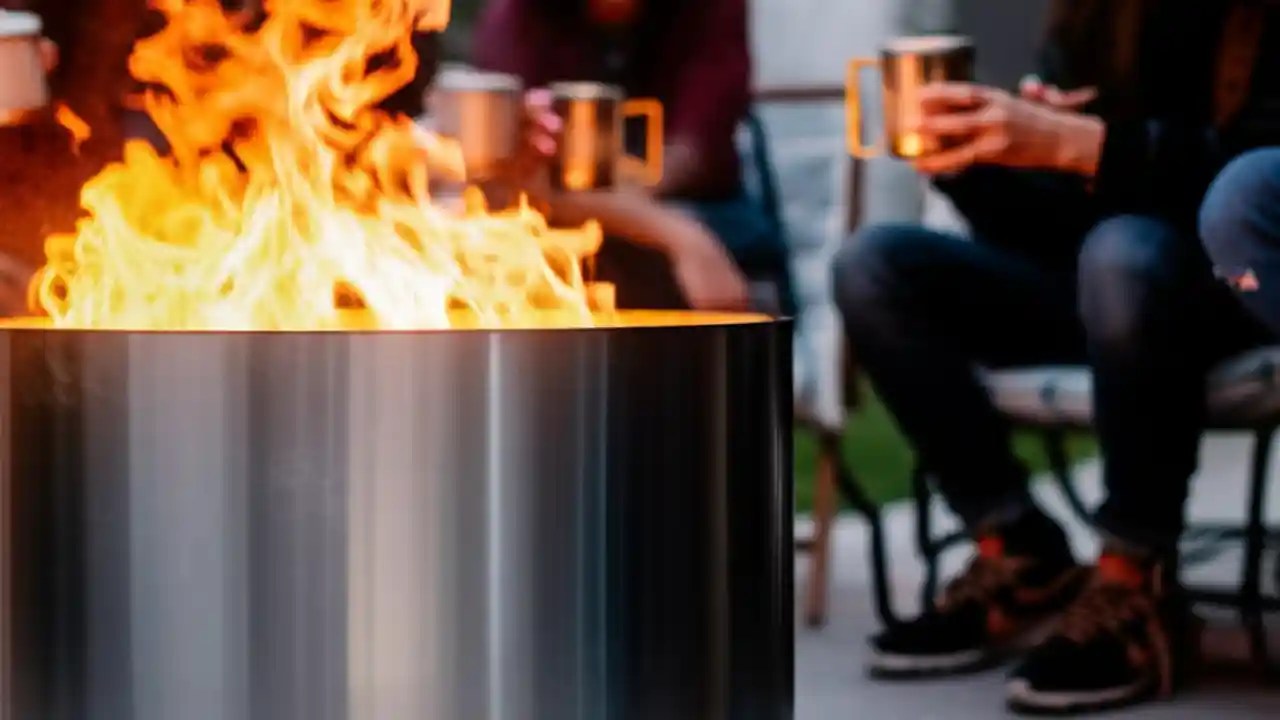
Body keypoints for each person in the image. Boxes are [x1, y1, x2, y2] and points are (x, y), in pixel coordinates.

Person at [833, 1, 1278, 714]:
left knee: (1124, 255)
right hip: (1095, 287)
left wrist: (1084, 145)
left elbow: (1256, 194)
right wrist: (976, 163)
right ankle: (1017, 548)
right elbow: (1042, 231)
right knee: (875, 266)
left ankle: (1135, 580)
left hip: (1226, 297)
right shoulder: (1094, 16)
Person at [472, 0, 793, 313]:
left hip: (693, 201)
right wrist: (678, 235)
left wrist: (641, 212)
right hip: (556, 209)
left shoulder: (708, 11)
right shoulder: (519, 17)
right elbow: (516, 179)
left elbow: (700, 142)